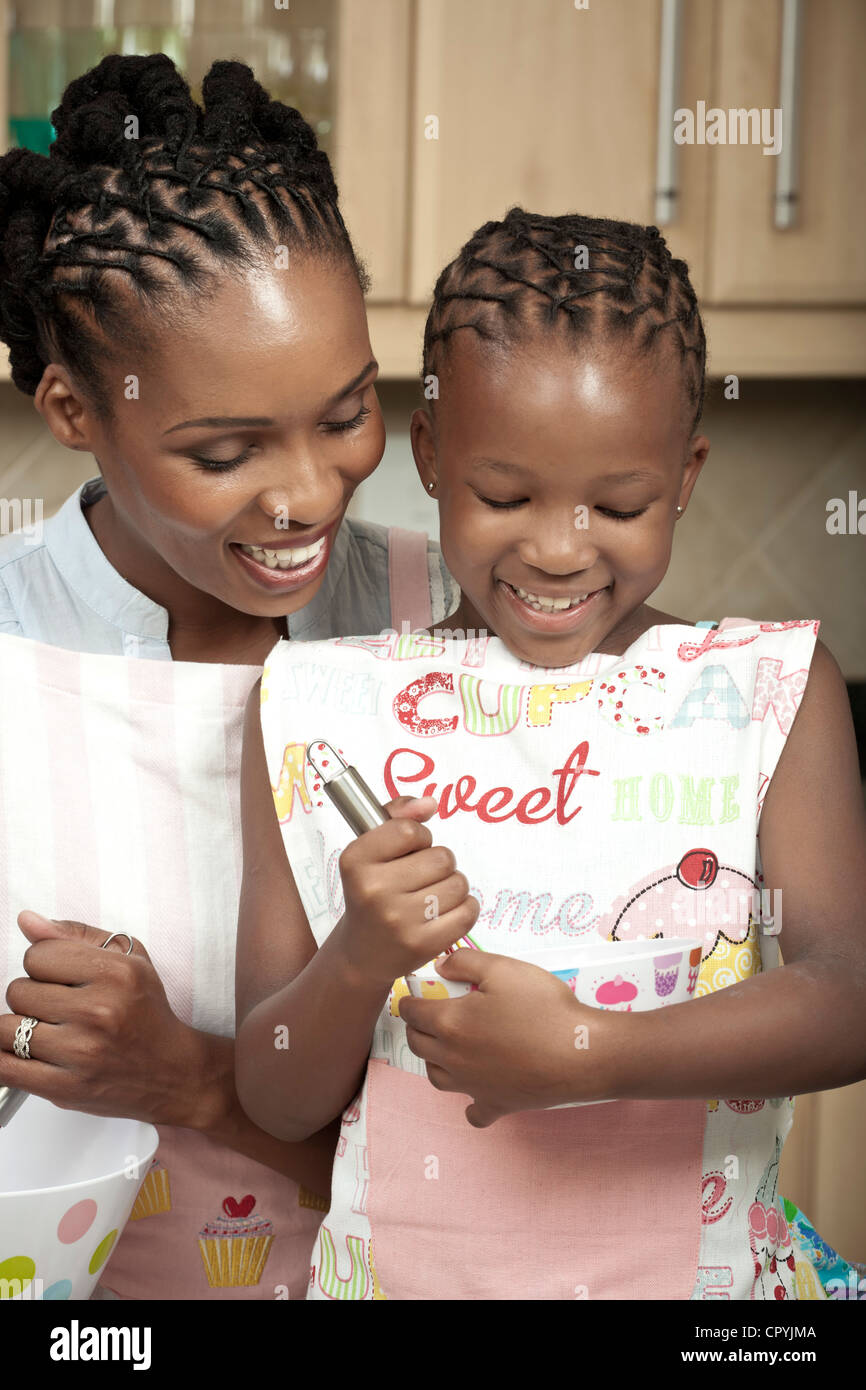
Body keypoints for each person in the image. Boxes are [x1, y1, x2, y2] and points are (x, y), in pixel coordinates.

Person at [235, 208, 866, 1299]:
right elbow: (274, 1094)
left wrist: (595, 1052)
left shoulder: (766, 694)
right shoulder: (314, 705)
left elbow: (847, 998)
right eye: (504, 494)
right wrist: (356, 957)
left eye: (615, 503)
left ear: (683, 473)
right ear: (430, 455)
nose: (558, 545)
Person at [0, 53, 456, 1300]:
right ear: (71, 407)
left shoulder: (455, 620)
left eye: (346, 411)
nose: (308, 494)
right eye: (221, 450)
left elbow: (520, 1134)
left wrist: (190, 1074)